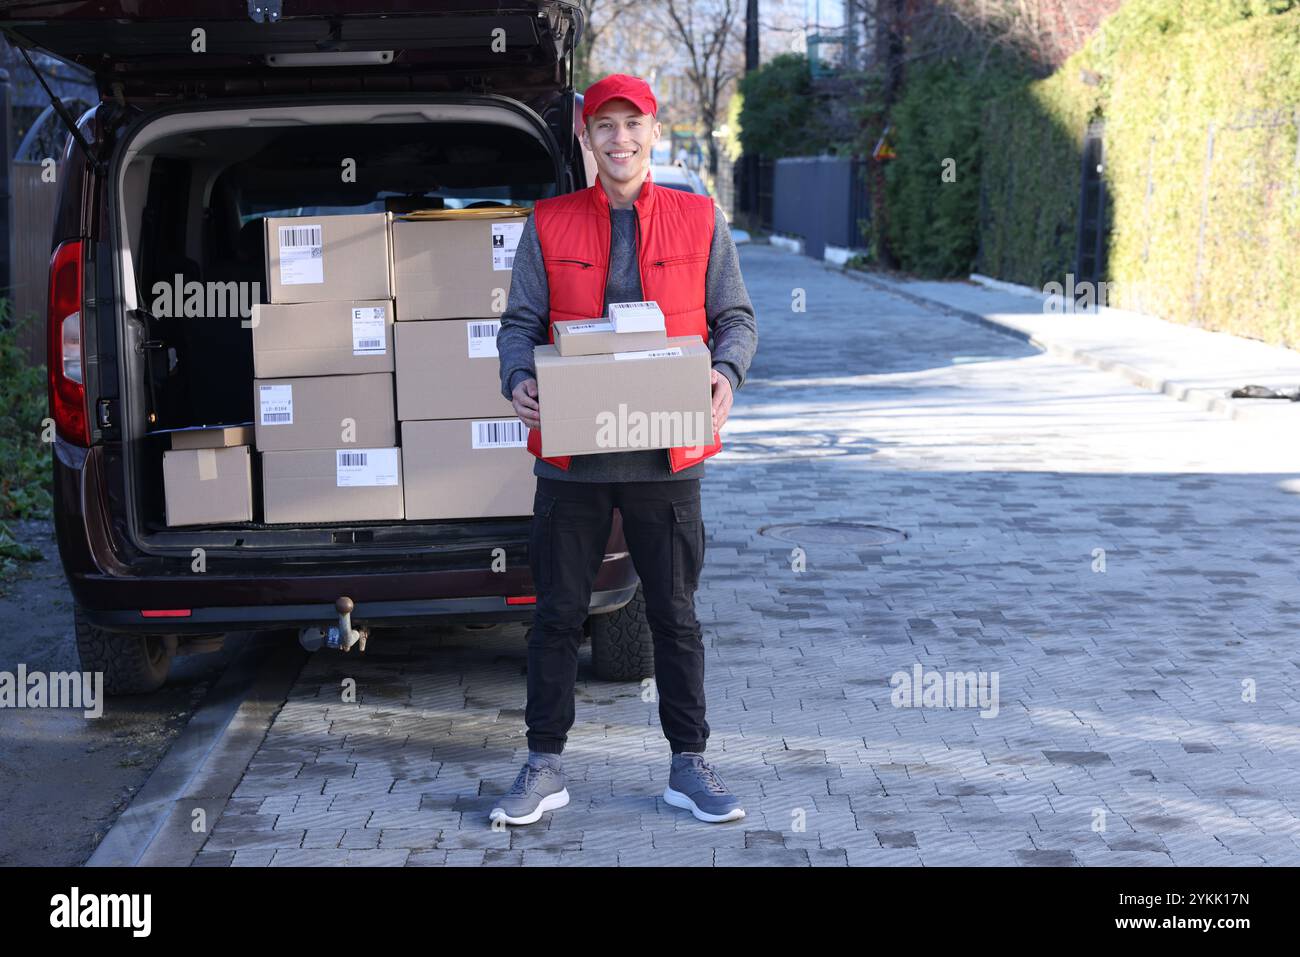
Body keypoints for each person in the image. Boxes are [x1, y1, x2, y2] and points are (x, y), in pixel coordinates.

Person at [490, 73, 758, 826]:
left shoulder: (700, 219)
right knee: (555, 614)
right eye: (604, 126)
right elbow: (519, 323)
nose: (619, 140)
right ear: (586, 135)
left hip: (664, 455)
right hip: (572, 458)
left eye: (631, 124)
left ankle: (688, 765)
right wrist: (516, 377)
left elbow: (735, 317)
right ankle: (544, 765)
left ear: (653, 128)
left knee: (674, 614)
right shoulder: (549, 223)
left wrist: (724, 372)